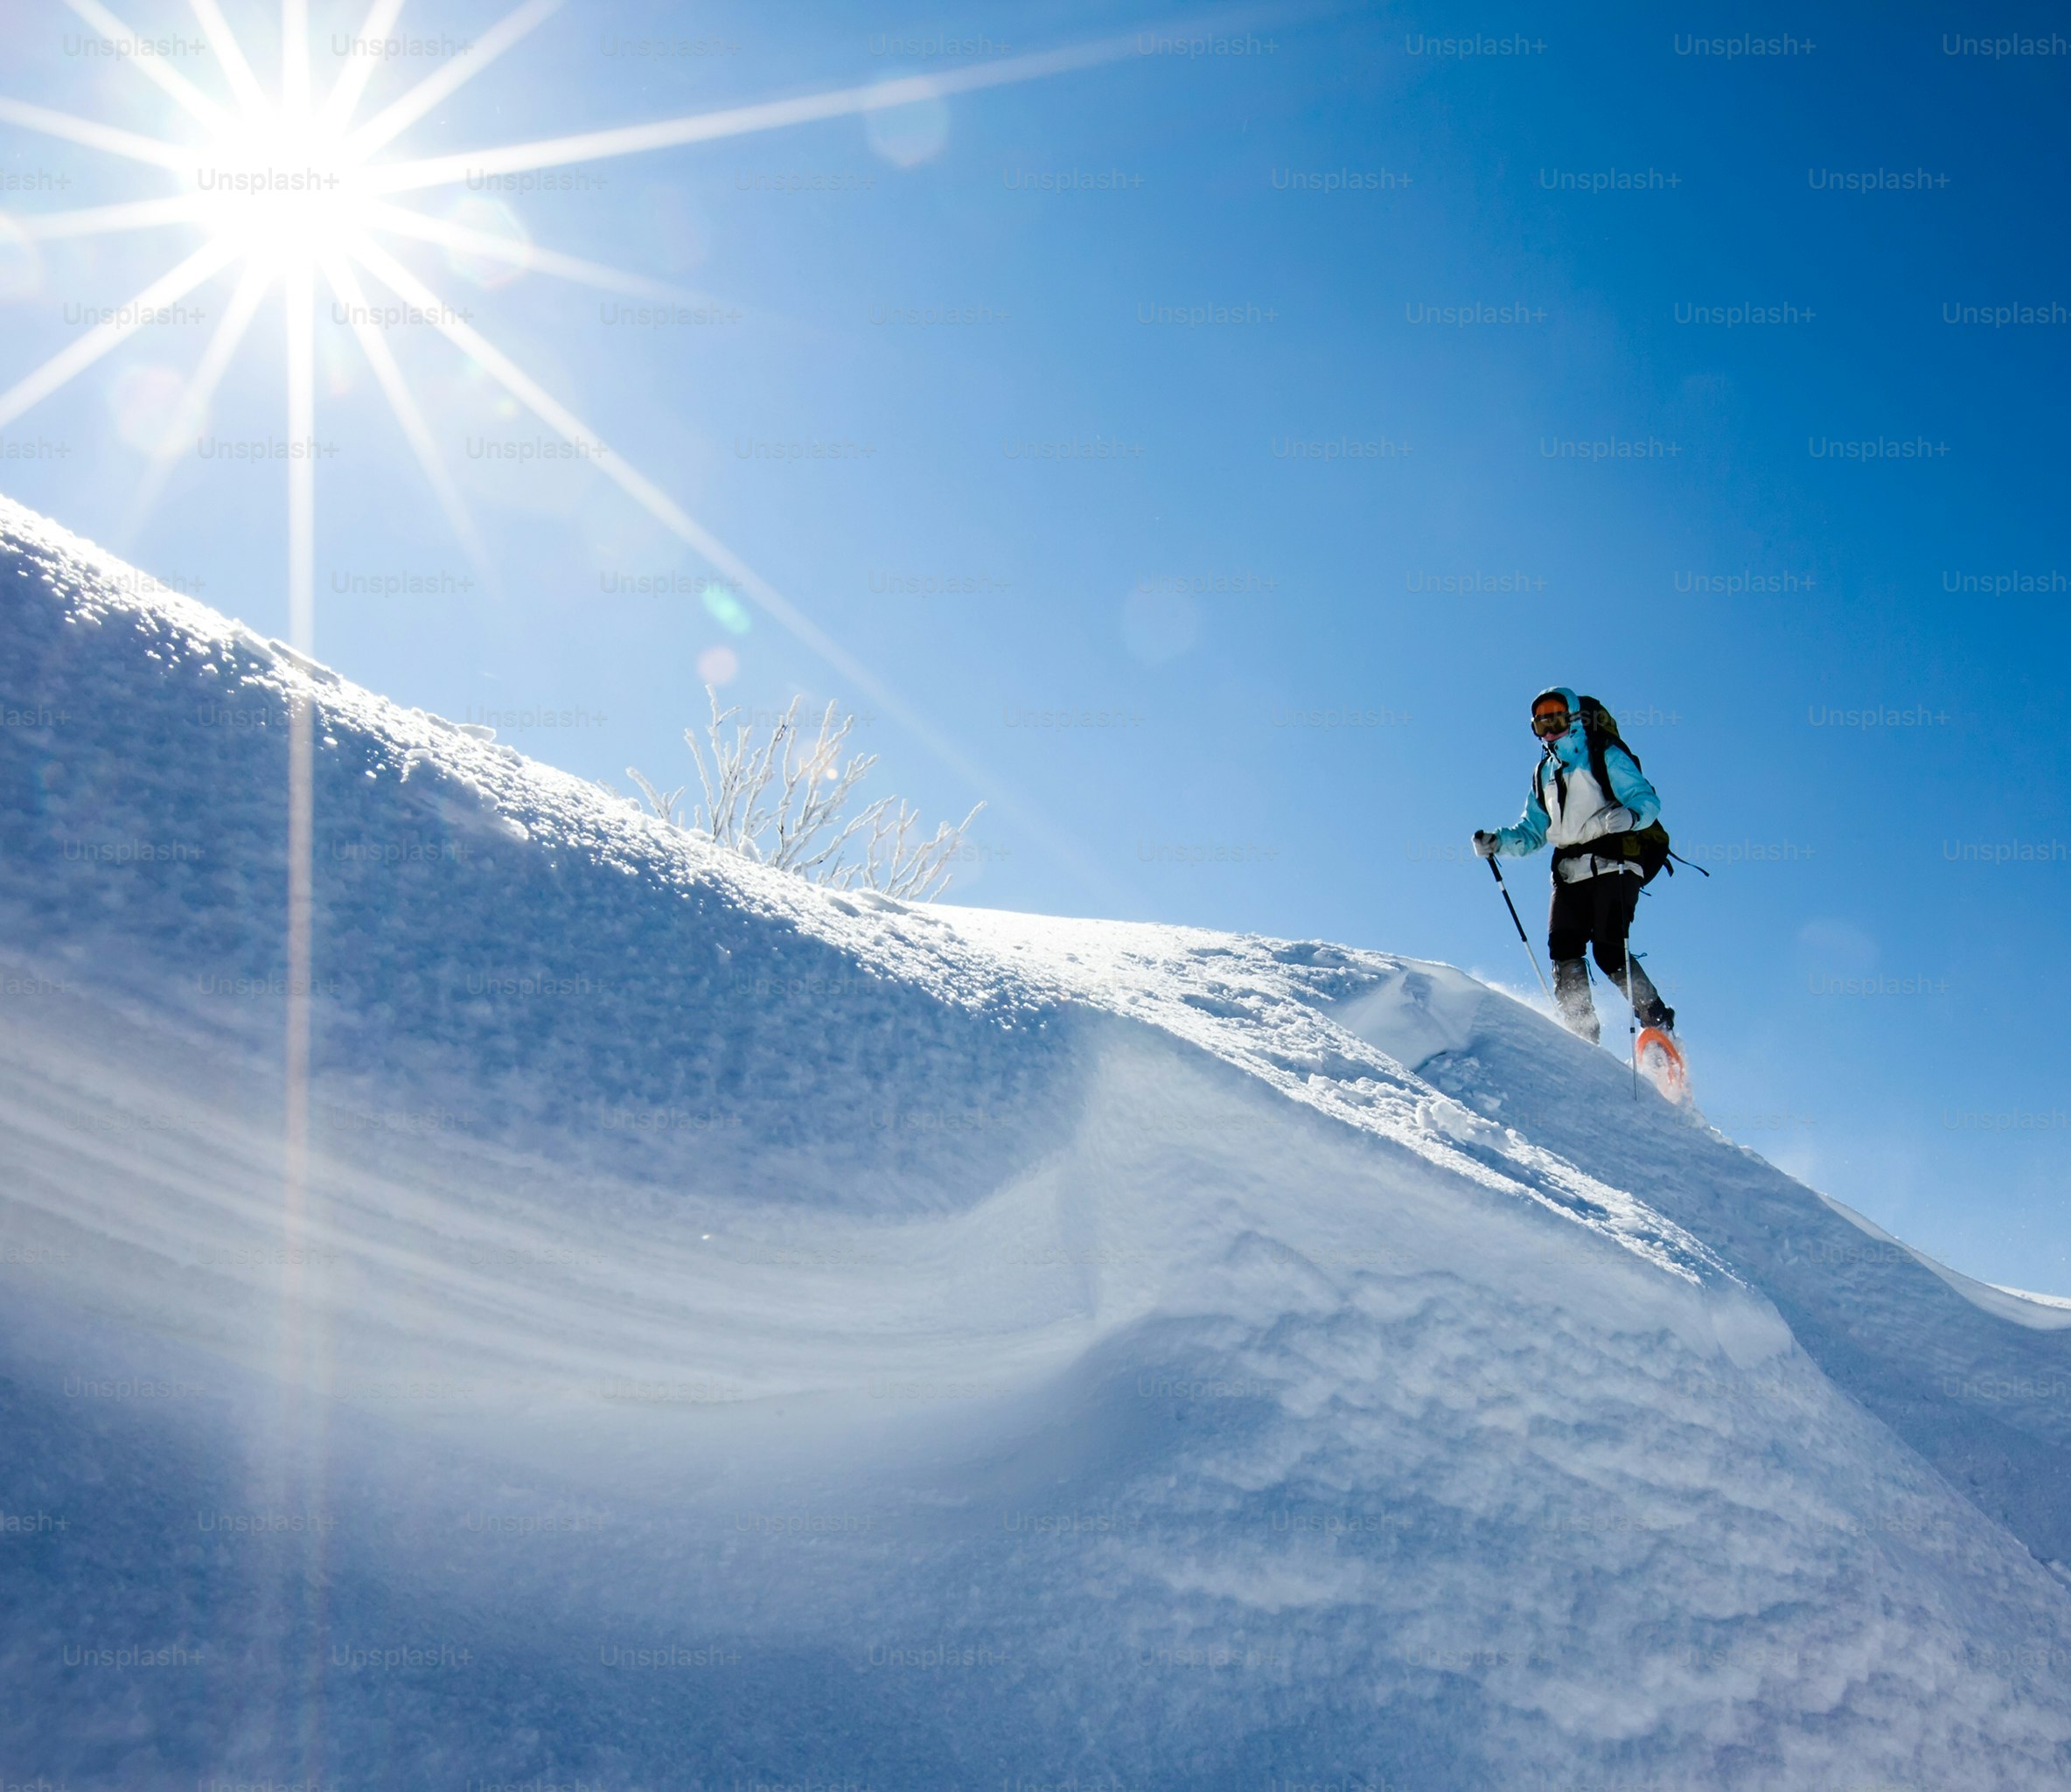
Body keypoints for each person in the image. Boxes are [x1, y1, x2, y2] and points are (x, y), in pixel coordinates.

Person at [1472, 686, 1676, 1043]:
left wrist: (1630, 816)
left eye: (1557, 721)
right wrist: (1498, 842)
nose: (1550, 732)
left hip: (1616, 862)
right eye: (1541, 726)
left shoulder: (1604, 755)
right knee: (1563, 950)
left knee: (1609, 950)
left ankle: (1657, 1023)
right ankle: (1581, 1037)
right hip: (1568, 871)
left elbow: (1647, 799)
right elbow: (1533, 831)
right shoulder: (1544, 774)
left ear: (1576, 719)